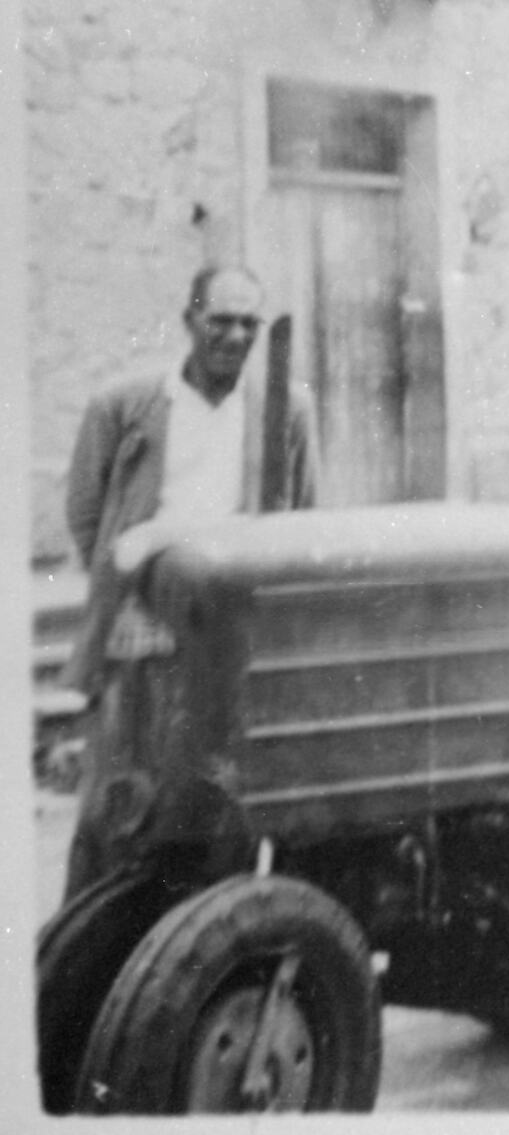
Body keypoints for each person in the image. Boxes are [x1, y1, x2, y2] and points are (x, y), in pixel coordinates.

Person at [60, 264, 318, 896]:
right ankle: (96, 936)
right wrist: (126, 594)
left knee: (222, 792)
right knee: (122, 797)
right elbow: (87, 512)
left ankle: (208, 931)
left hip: (233, 628)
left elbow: (305, 513)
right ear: (190, 321)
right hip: (142, 620)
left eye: (248, 323)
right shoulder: (125, 405)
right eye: (220, 320)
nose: (235, 336)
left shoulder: (285, 409)